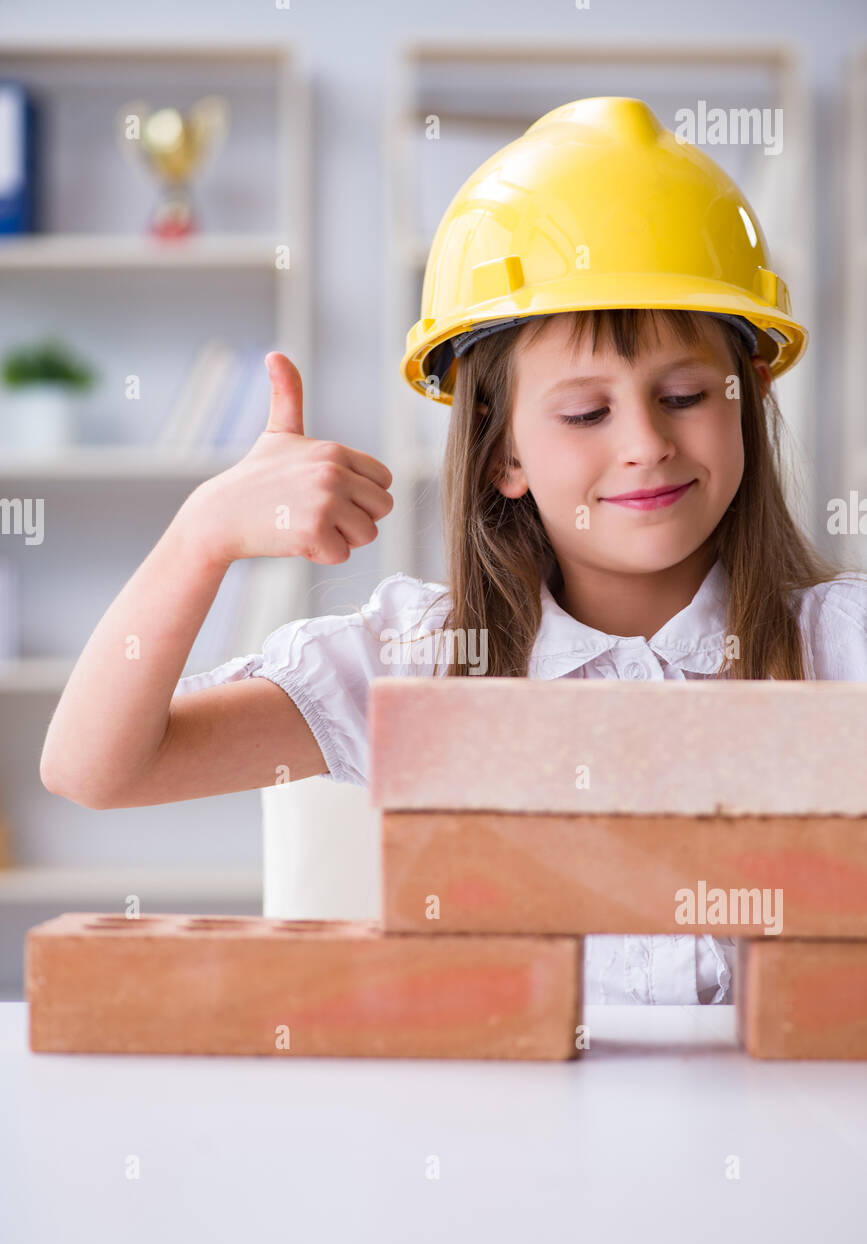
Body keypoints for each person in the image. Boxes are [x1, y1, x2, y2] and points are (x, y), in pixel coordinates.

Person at [40, 97, 867, 1006]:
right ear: (502, 451)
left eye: (682, 395)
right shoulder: (419, 660)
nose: (644, 443)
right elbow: (95, 769)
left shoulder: (840, 647)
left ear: (744, 399)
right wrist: (200, 537)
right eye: (586, 412)